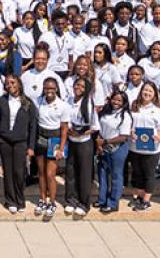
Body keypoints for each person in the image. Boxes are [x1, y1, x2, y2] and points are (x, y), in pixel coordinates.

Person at [0, 74, 37, 214]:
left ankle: (20, 199)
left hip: (20, 142)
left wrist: (31, 147)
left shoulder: (27, 102)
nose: (10, 85)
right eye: (7, 83)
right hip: (4, 141)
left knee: (19, 171)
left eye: (13, 82)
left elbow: (32, 126)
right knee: (8, 171)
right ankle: (10, 200)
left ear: (19, 84)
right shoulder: (2, 101)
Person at [64, 75, 99, 216]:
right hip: (71, 141)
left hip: (84, 143)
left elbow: (95, 127)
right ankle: (71, 200)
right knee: (71, 172)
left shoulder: (89, 104)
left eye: (82, 86)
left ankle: (84, 203)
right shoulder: (68, 101)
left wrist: (82, 134)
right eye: (76, 85)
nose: (78, 88)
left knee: (84, 173)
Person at [128, 81, 160, 212]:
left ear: (154, 95)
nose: (147, 93)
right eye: (145, 90)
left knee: (149, 174)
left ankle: (146, 200)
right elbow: (129, 125)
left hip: (152, 149)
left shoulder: (158, 111)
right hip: (135, 147)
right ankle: (138, 196)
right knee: (137, 173)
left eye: (150, 91)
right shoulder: (134, 108)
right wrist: (131, 132)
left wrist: (159, 137)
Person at [34, 76, 68, 218]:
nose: (49, 91)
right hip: (41, 137)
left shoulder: (62, 105)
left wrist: (61, 148)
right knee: (41, 173)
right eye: (46, 88)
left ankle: (52, 202)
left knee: (50, 174)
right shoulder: (38, 102)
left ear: (56, 89)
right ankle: (42, 199)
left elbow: (64, 129)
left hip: (54, 139)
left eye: (52, 88)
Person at [95, 89, 132, 213]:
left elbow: (123, 136)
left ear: (124, 102)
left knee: (116, 175)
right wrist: (99, 144)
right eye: (114, 99)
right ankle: (102, 199)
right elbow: (98, 128)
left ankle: (113, 202)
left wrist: (105, 142)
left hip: (117, 148)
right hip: (102, 146)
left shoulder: (125, 116)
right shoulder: (106, 112)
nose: (116, 102)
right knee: (102, 173)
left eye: (119, 100)